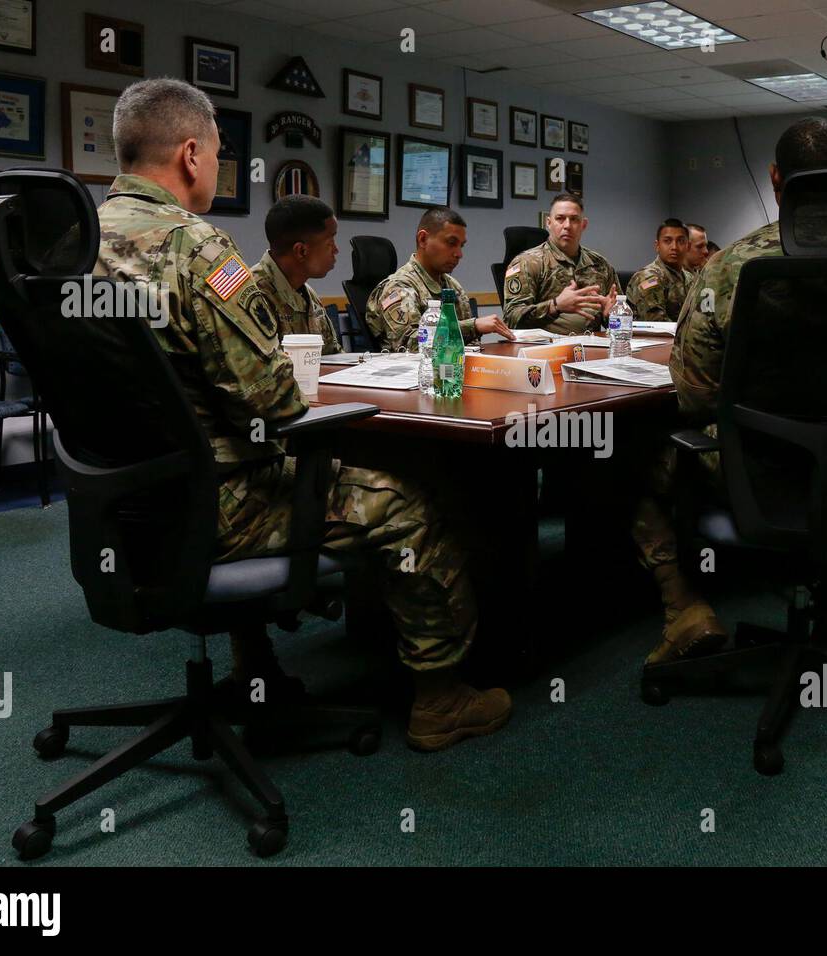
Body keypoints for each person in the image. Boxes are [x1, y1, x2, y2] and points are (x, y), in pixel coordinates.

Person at [95, 78, 509, 752]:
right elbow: (274, 400)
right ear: (192, 155)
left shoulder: (73, 250)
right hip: (218, 506)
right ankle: (440, 699)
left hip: (126, 504)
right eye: (221, 152)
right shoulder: (197, 249)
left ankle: (253, 664)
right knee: (410, 504)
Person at [631, 117, 827, 664]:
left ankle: (684, 607)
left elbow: (693, 392)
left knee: (627, 452)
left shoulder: (732, 266)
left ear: (776, 179)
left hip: (761, 469)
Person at [365, 206, 513, 352]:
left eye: (461, 246)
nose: (459, 254)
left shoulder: (452, 286)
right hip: (415, 373)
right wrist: (472, 327)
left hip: (453, 369)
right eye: (451, 243)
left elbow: (470, 345)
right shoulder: (399, 287)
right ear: (423, 239)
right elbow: (411, 345)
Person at [503, 193, 620, 335]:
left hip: (592, 347)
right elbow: (511, 319)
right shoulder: (527, 263)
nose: (567, 226)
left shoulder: (600, 265)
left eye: (574, 219)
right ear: (548, 223)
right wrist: (556, 306)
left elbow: (620, 321)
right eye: (560, 218)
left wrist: (610, 315)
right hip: (544, 349)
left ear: (583, 225)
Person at [252, 194, 342, 355]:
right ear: (301, 251)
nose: (336, 250)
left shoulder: (306, 293)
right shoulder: (254, 295)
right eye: (330, 243)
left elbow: (333, 355)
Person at [626, 218, 694, 324]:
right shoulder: (649, 277)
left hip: (682, 338)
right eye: (667, 241)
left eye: (680, 241)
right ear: (657, 246)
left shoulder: (691, 278)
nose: (674, 247)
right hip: (653, 339)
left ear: (688, 246)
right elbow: (656, 323)